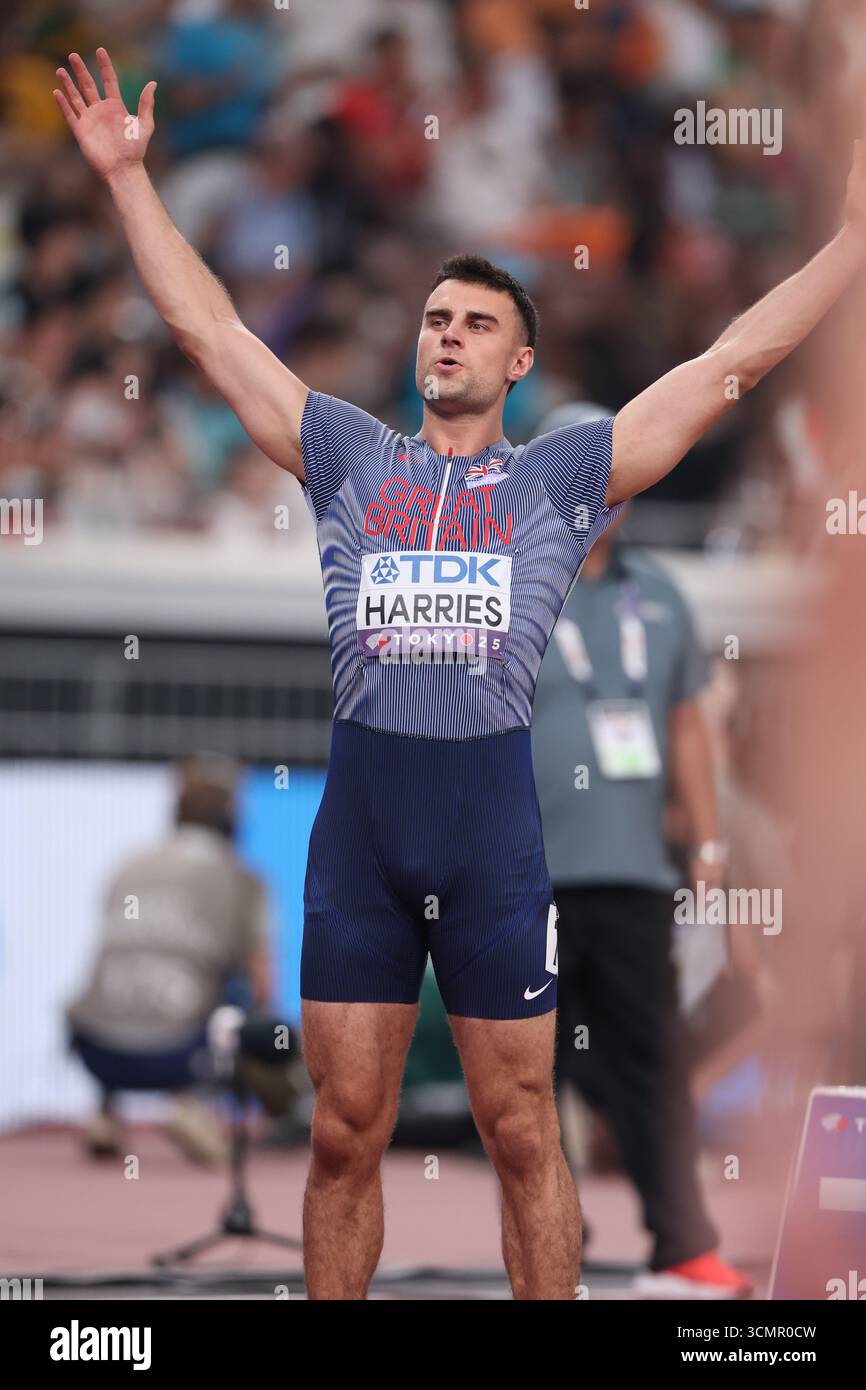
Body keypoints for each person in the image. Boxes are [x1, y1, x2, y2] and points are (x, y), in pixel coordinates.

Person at [53, 48, 866, 1298]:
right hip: (362, 832)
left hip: (489, 832)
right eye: (436, 316)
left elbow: (725, 369)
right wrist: (124, 182)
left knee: (523, 1132)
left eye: (477, 322)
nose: (447, 334)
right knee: (340, 1135)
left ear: (517, 363)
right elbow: (204, 327)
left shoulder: (558, 479)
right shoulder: (347, 455)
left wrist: (849, 243)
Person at [531, 492, 750, 1297]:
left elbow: (689, 725)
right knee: (526, 1076)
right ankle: (553, 1243)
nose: (594, 500)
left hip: (633, 874)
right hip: (526, 874)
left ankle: (683, 1244)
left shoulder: (657, 595)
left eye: (609, 483)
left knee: (655, 1064)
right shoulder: (512, 584)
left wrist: (710, 842)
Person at [66, 755, 272, 1165]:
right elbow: (263, 982)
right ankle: (192, 1101)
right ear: (230, 822)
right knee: (236, 995)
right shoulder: (242, 878)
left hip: (94, 1046)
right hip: (177, 1054)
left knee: (123, 974)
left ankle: (106, 1112)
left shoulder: (129, 864)